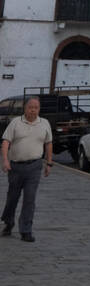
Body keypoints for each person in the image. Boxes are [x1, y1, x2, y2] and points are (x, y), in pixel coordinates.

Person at [1, 96, 53, 242]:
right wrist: (5, 160)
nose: (33, 110)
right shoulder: (16, 122)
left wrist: (49, 163)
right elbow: (6, 142)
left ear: (39, 109)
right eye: (30, 107)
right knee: (12, 198)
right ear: (25, 108)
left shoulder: (45, 124)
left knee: (30, 199)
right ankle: (8, 222)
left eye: (36, 108)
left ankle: (26, 230)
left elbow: (48, 144)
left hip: (34, 167)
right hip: (15, 167)